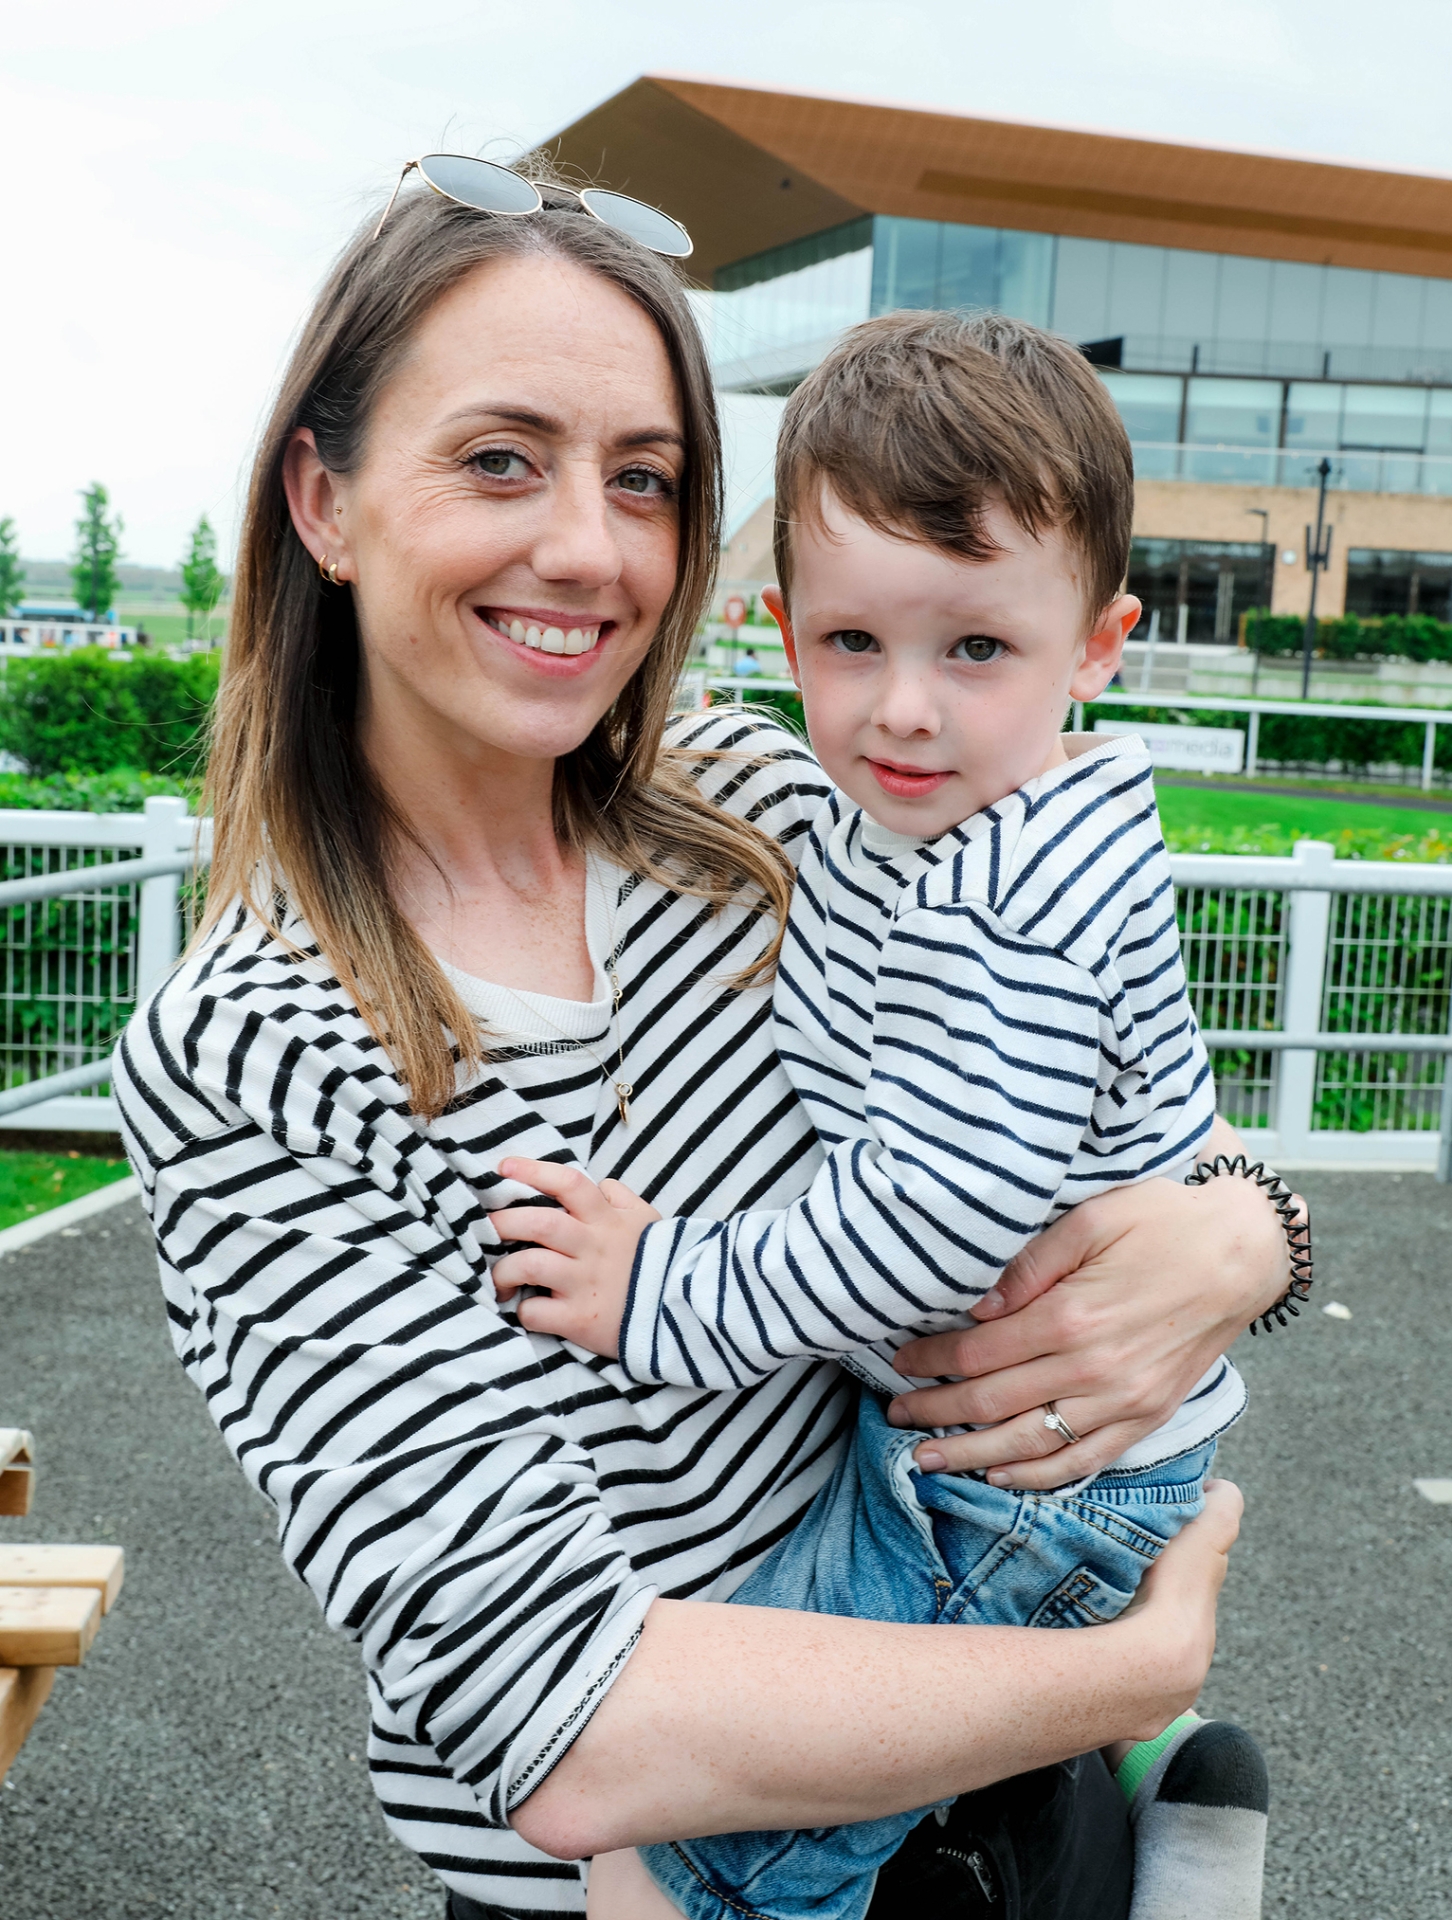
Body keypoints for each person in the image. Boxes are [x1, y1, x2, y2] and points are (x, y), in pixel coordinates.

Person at [113, 162, 1295, 1920]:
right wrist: (1133, 1674)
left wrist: (1243, 1233)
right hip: (665, 1866)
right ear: (326, 497)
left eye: (645, 478)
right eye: (500, 457)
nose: (588, 546)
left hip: (1001, 1835)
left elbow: (1083, 1092)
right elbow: (569, 1727)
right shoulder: (252, 1047)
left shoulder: (760, 809)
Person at [491, 313, 1285, 1920]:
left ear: (1098, 645)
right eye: (854, 646)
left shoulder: (1012, 890)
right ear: (783, 630)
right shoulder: (876, 820)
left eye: (975, 649)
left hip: (1016, 1474)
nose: (904, 711)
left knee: (691, 1854)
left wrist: (663, 1289)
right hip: (980, 1448)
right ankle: (1159, 1781)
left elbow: (933, 1220)